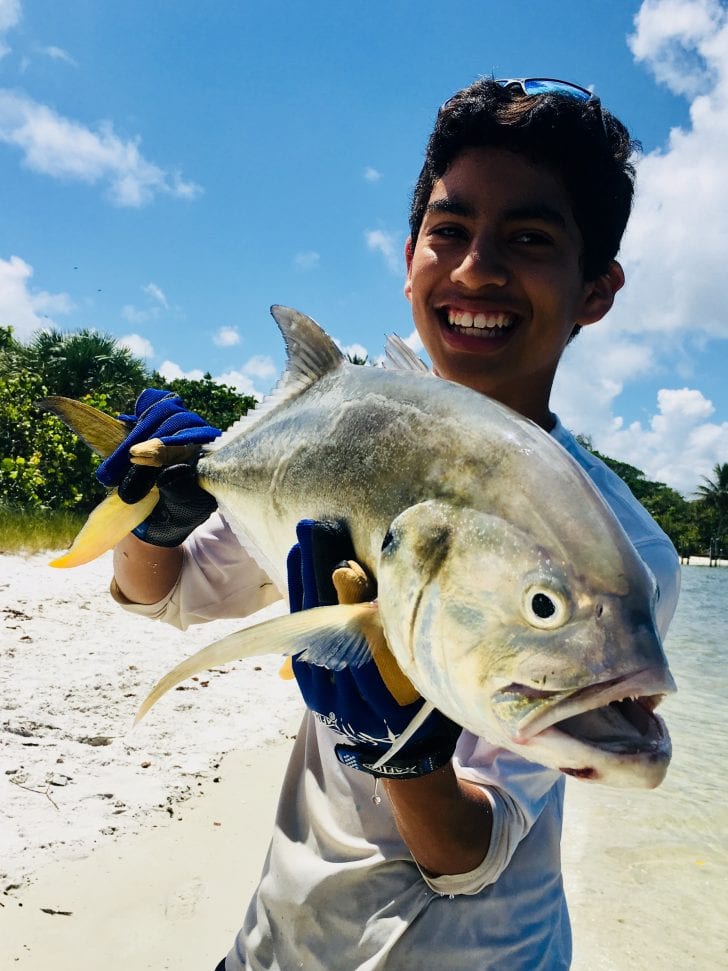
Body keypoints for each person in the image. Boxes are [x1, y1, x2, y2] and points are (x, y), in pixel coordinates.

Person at [107, 77, 680, 970]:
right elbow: (164, 596)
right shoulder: (349, 437)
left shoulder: (623, 550)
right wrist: (158, 517)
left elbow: (466, 858)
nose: (476, 269)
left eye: (529, 238)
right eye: (448, 233)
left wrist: (404, 760)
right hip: (275, 947)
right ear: (410, 253)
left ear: (596, 289)